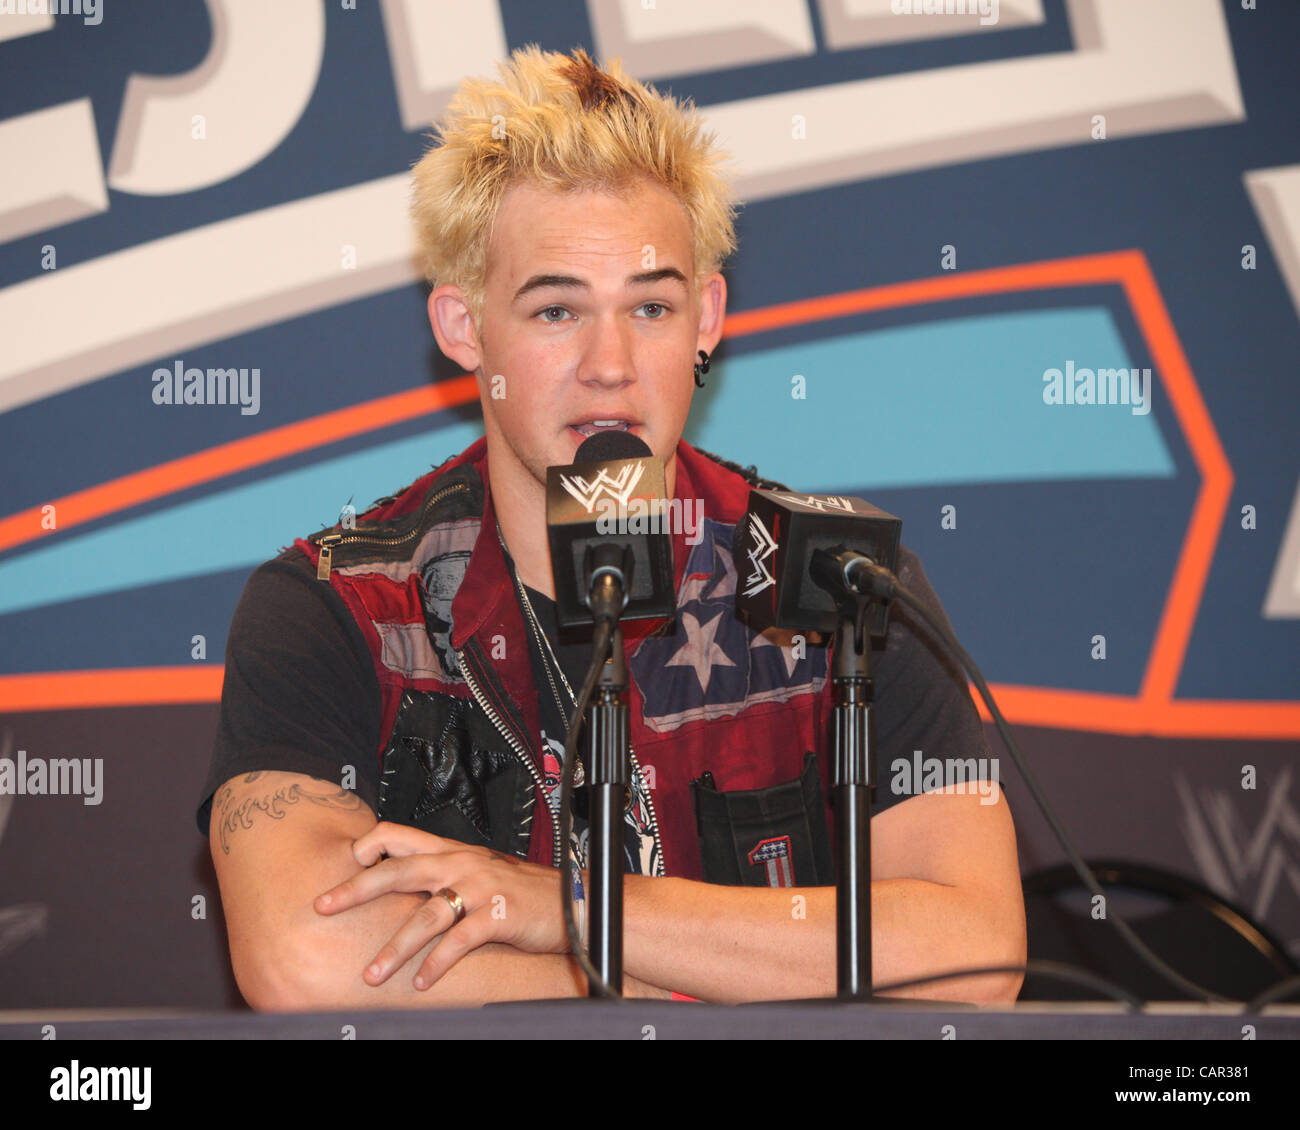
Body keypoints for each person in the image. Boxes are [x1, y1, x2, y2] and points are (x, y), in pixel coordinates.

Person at [196, 45, 1025, 1009]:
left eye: (652, 307)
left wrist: (573, 910)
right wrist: (729, 974)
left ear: (708, 317)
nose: (610, 365)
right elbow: (307, 960)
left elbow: (972, 953)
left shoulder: (842, 584)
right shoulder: (333, 606)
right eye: (556, 310)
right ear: (464, 327)